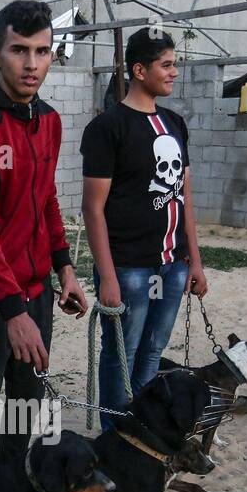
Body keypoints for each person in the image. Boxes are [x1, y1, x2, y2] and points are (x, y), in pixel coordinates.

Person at [0, 0, 88, 492]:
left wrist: (64, 267)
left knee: (24, 410)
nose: (32, 64)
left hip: (37, 292)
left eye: (42, 51)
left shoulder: (48, 121)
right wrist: (11, 310)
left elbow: (46, 197)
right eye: (19, 50)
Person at [81, 26, 208, 431]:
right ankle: (115, 436)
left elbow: (183, 196)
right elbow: (93, 208)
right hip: (129, 269)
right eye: (166, 65)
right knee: (121, 354)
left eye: (175, 64)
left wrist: (195, 261)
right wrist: (106, 276)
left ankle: (141, 430)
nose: (174, 73)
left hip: (172, 265)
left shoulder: (175, 123)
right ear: (139, 70)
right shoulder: (107, 128)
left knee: (152, 353)